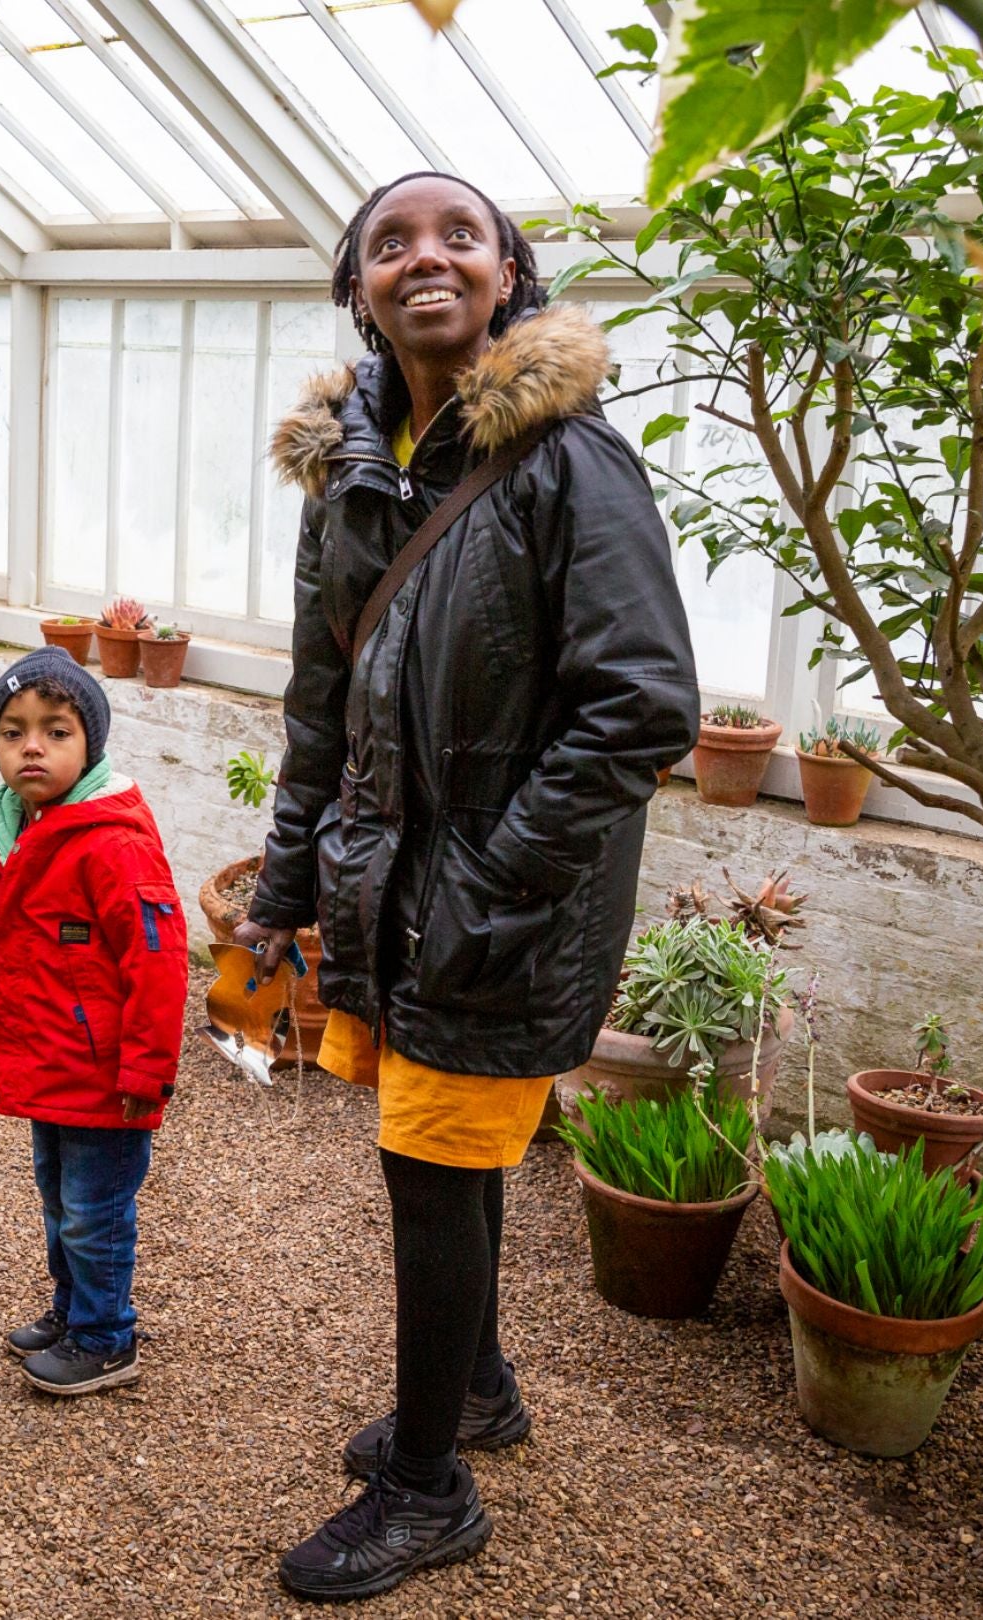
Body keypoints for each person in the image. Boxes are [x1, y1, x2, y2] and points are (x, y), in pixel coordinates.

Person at [243, 173, 701, 1601]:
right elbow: (325, 701)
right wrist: (281, 885)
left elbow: (640, 708)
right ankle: (482, 1389)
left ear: (510, 274)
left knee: (430, 1173)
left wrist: (492, 885)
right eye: (391, 244)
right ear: (356, 288)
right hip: (396, 887)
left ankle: (429, 1489)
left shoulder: (574, 464)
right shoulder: (353, 472)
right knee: (439, 1151)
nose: (423, 257)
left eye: (458, 236)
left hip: (504, 906)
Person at [0, 647, 189, 1397]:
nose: (31, 746)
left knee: (95, 1214)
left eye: (56, 731)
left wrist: (145, 1072)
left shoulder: (112, 845)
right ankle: (72, 1313)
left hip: (105, 1078)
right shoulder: (20, 833)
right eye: (13, 731)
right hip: (53, 1068)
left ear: (89, 745)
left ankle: (106, 1338)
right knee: (60, 1202)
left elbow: (159, 962)